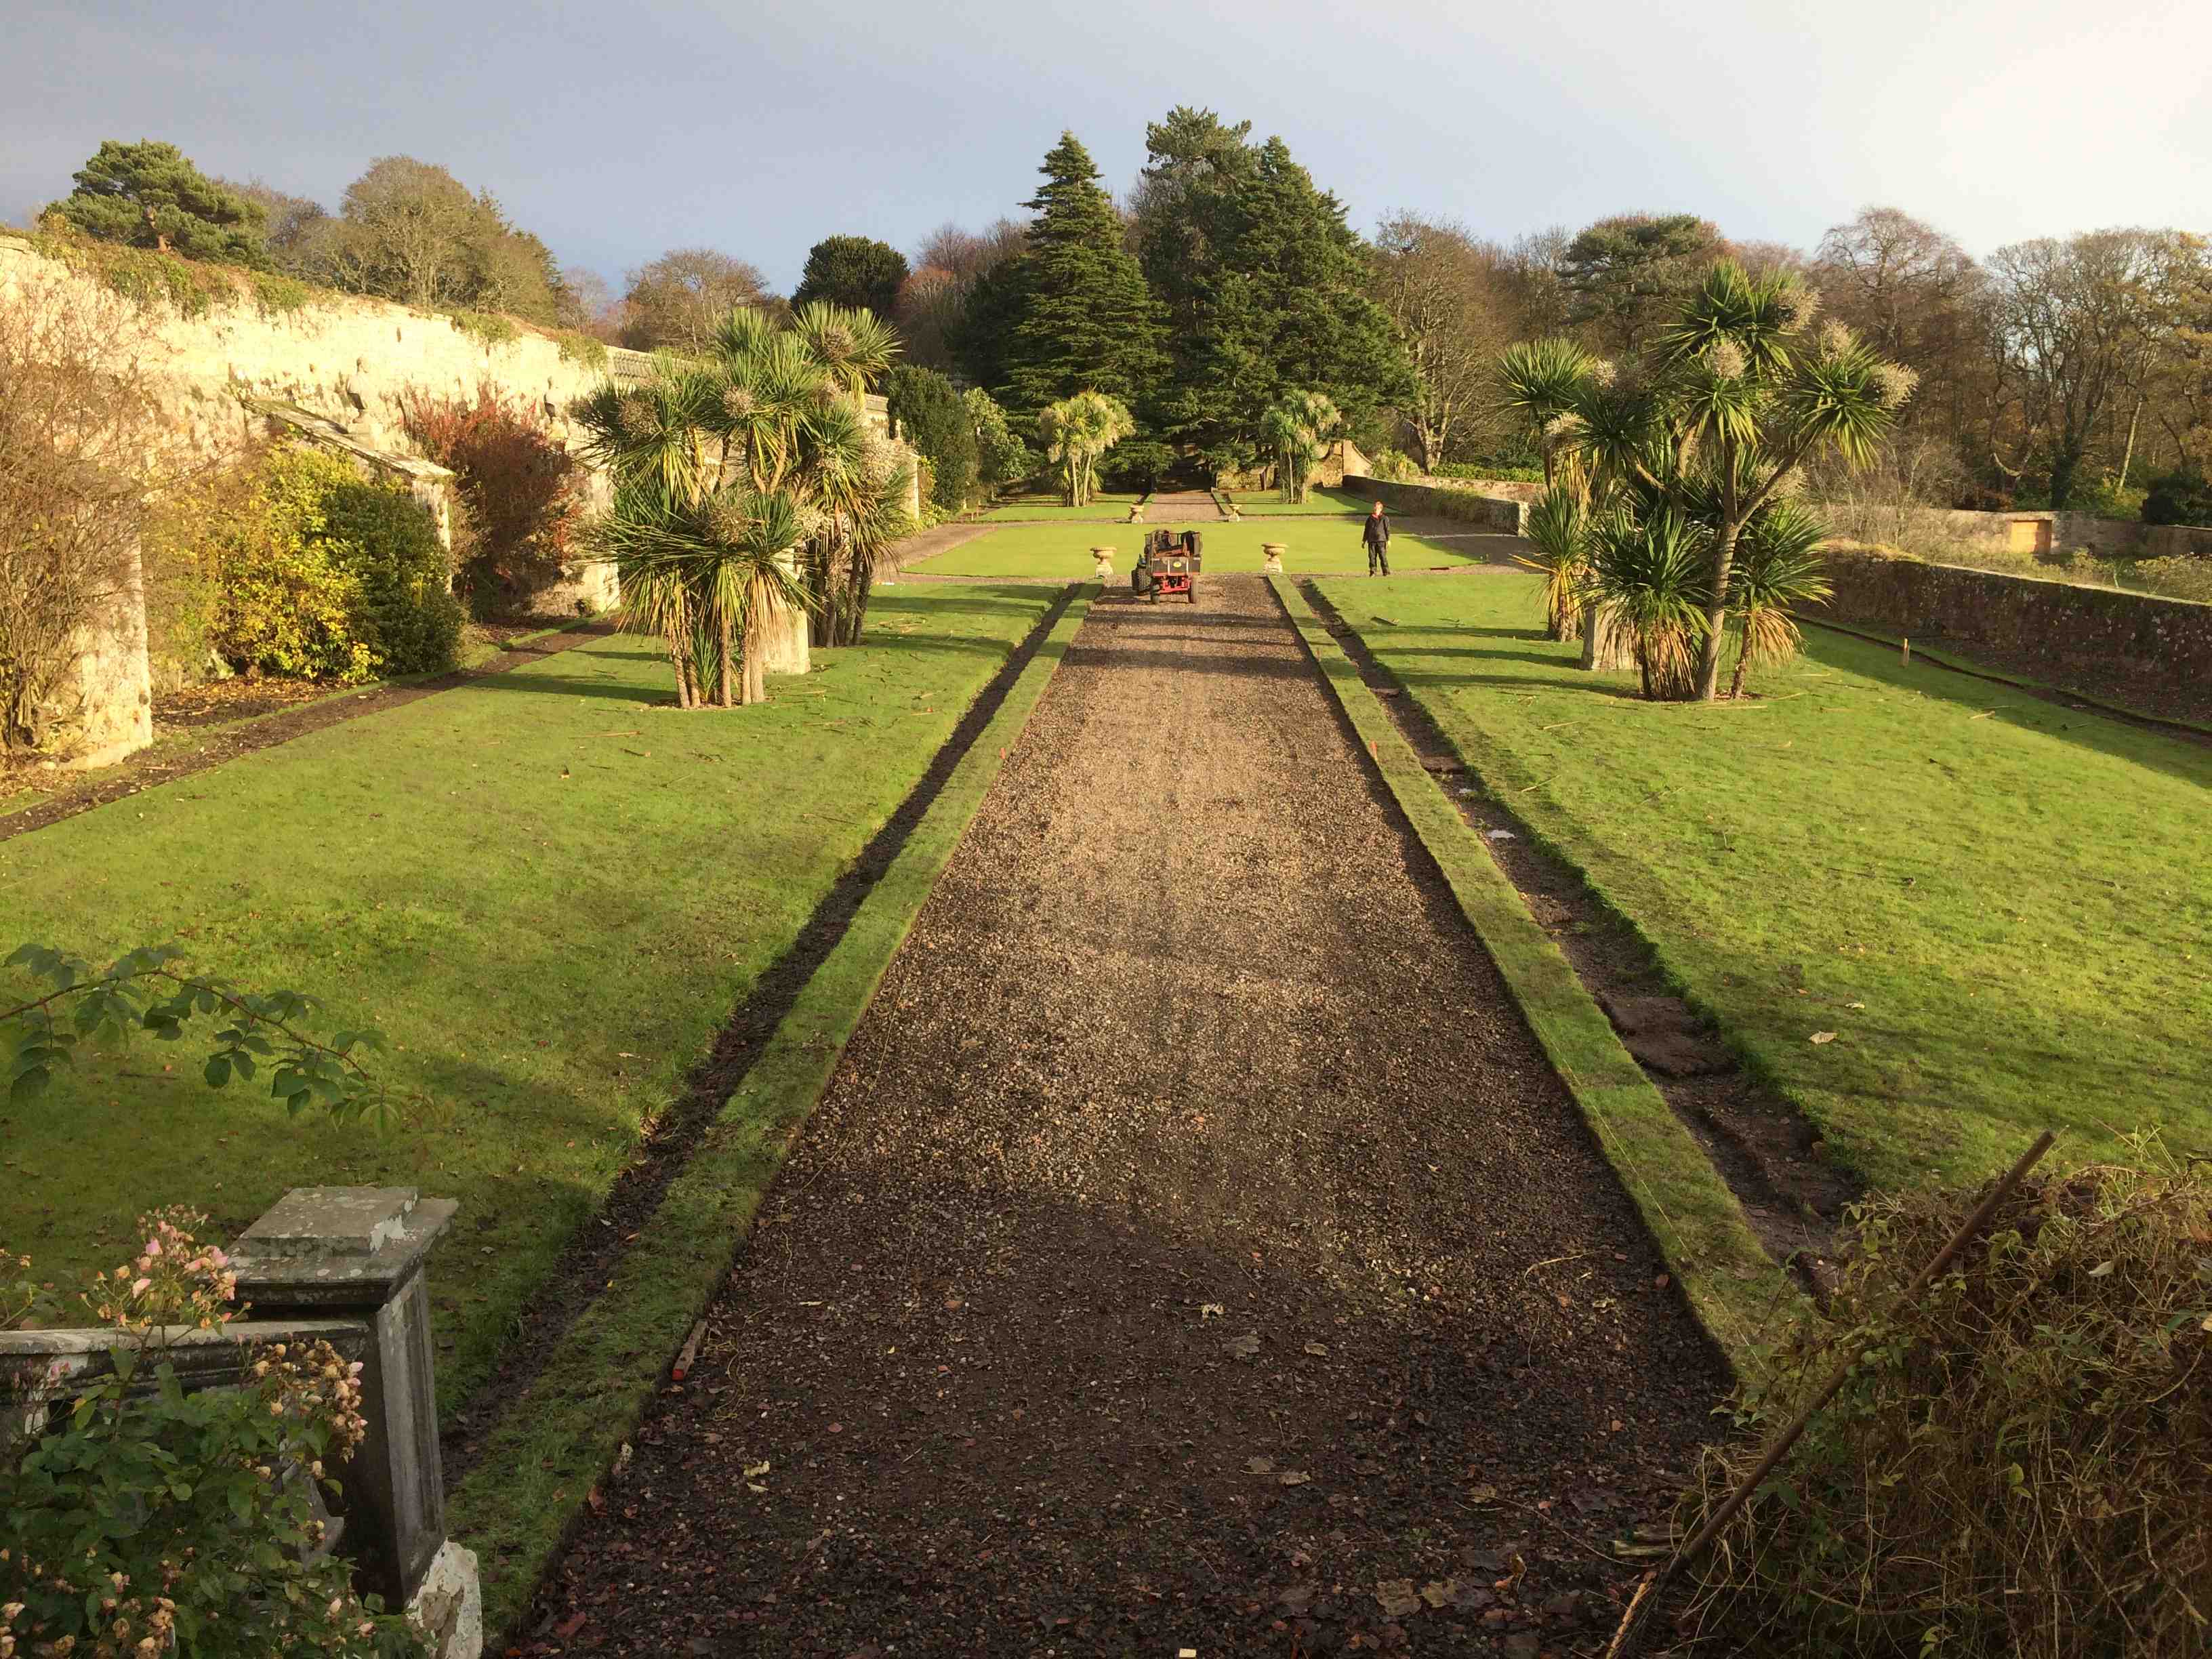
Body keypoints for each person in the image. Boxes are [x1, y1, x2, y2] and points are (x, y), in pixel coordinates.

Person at [1362, 499, 1392, 576]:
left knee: (1383, 557)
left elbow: (1387, 529)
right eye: (1375, 508)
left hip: (1381, 540)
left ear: (1381, 509)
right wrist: (1364, 540)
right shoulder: (1370, 518)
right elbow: (1366, 529)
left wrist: (1388, 540)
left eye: (1378, 508)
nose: (1376, 509)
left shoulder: (1385, 518)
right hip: (1371, 540)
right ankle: (1373, 572)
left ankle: (1386, 572)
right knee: (1372, 557)